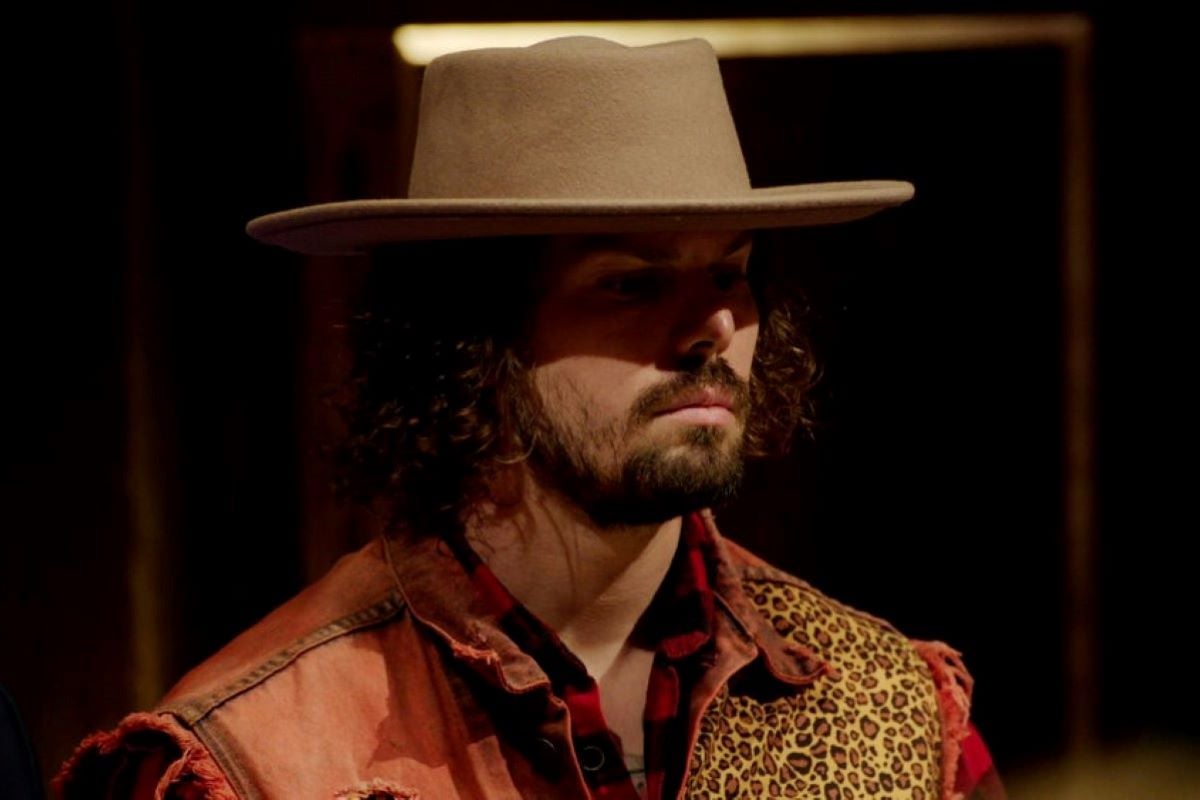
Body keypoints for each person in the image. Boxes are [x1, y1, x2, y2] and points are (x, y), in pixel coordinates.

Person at [55, 35, 1004, 799]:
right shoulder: (257, 756)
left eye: (732, 272)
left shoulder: (891, 708)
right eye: (631, 283)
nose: (714, 326)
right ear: (475, 341)